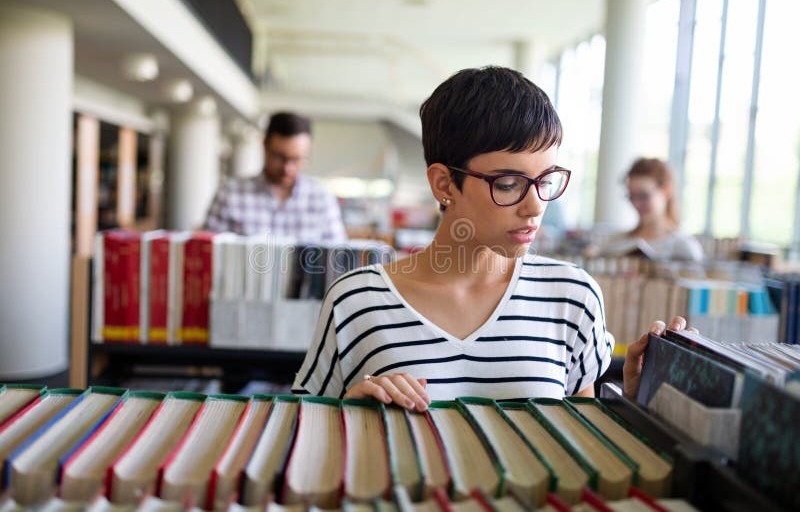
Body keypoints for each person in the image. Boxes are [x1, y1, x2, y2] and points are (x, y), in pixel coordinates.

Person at [292, 67, 687, 409]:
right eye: (510, 183)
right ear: (444, 183)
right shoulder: (356, 301)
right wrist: (347, 414)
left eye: (545, 181)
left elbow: (582, 451)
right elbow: (300, 438)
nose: (535, 206)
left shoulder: (572, 297)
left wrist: (639, 402)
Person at [204, 111, 347, 243]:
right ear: (264, 146)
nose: (287, 168)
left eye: (296, 159)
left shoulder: (323, 200)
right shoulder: (229, 195)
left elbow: (338, 259)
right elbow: (208, 251)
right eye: (280, 157)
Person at [601, 157, 703, 262]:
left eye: (643, 196)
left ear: (666, 190)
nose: (636, 203)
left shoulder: (684, 247)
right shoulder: (616, 242)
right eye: (632, 196)